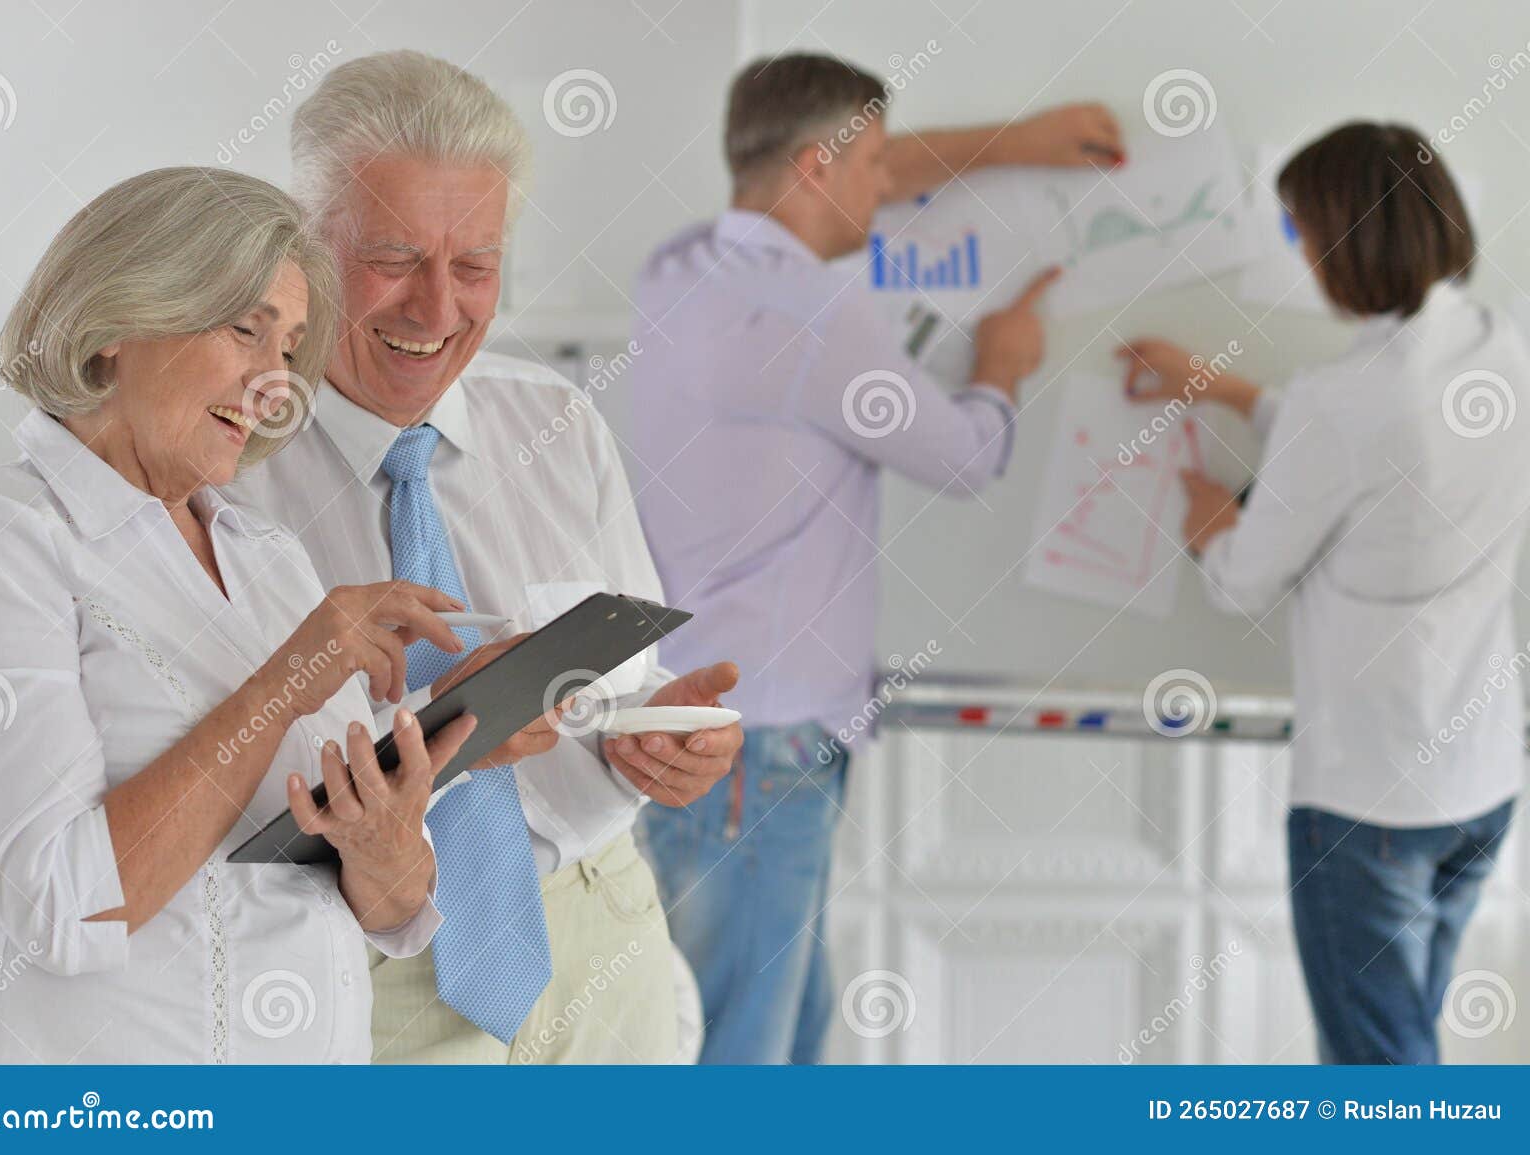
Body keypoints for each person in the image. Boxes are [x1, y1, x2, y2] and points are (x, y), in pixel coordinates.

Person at [0, 167, 532, 1062]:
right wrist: (286, 683)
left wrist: (386, 841)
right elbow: (64, 908)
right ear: (113, 326)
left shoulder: (267, 556)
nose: (275, 384)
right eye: (246, 330)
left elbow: (386, 913)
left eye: (290, 348)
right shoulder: (3, 541)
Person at [227, 50, 744, 1064]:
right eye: (394, 259)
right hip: (364, 953)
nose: (436, 310)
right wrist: (442, 731)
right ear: (304, 247)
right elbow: (213, 773)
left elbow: (625, 684)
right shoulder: (227, 464)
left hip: (603, 932)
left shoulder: (557, 424)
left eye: (474, 267)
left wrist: (663, 736)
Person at [628, 52, 1121, 1064]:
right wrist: (1001, 363)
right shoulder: (813, 313)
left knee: (777, 1027)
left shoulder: (675, 269)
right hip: (760, 744)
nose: (888, 186)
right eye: (873, 164)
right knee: (745, 1049)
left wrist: (1020, 144)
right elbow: (964, 456)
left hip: (707, 726)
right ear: (819, 165)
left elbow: (840, 174)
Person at [1121, 122, 1530, 1064]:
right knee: (1406, 1047)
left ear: (1345, 243)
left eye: (1299, 230)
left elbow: (1241, 582)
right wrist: (1229, 390)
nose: (1297, 252)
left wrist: (1209, 524)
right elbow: (1377, 452)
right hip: (1481, 783)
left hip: (1372, 801)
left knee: (1376, 1078)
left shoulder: (1342, 402)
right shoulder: (1501, 346)